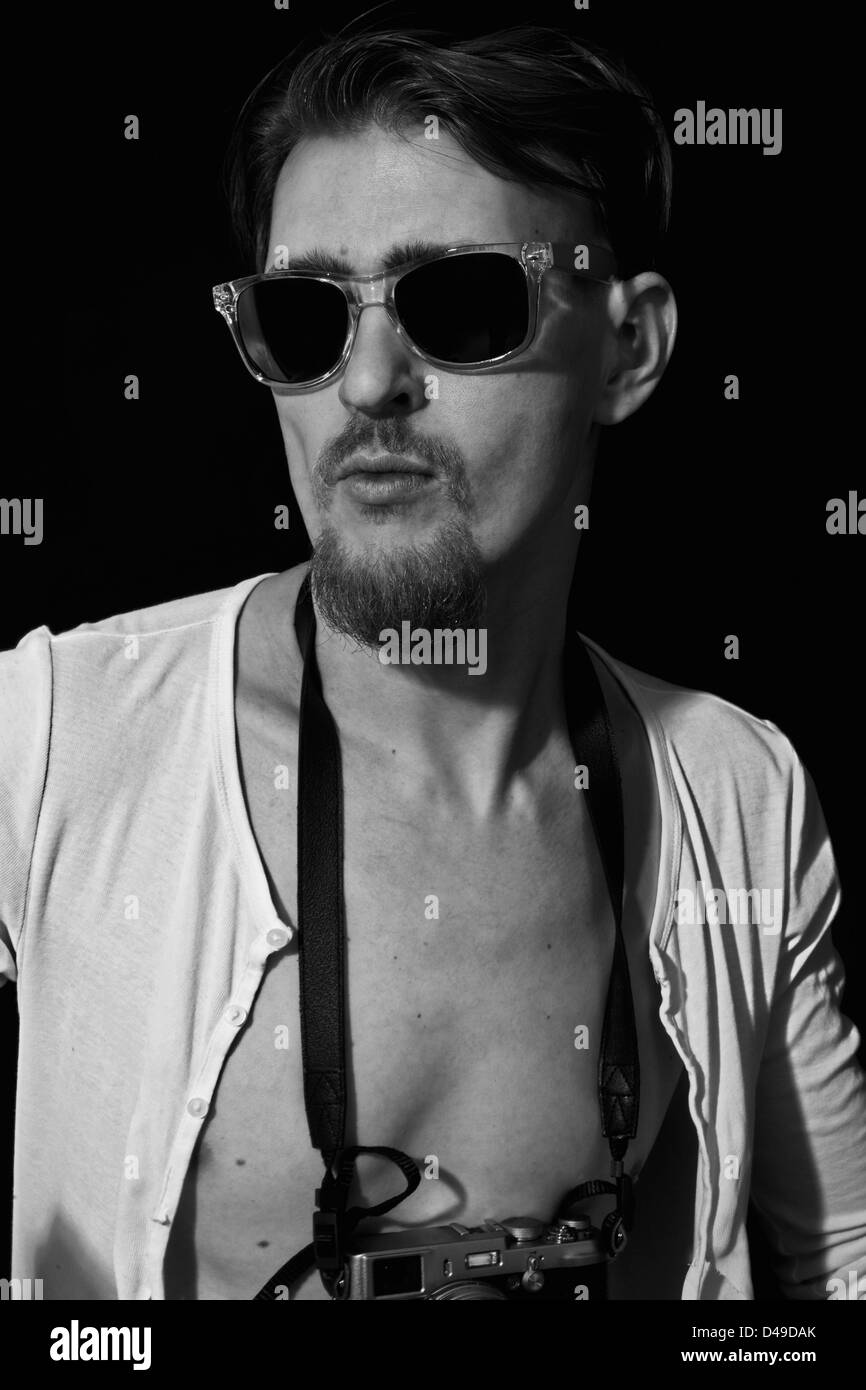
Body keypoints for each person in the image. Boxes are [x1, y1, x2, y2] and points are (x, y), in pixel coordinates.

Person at [1, 24, 864, 1303]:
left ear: (628, 349)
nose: (365, 382)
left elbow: (837, 1261)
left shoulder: (737, 793)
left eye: (459, 301)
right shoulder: (54, 735)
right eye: (303, 314)